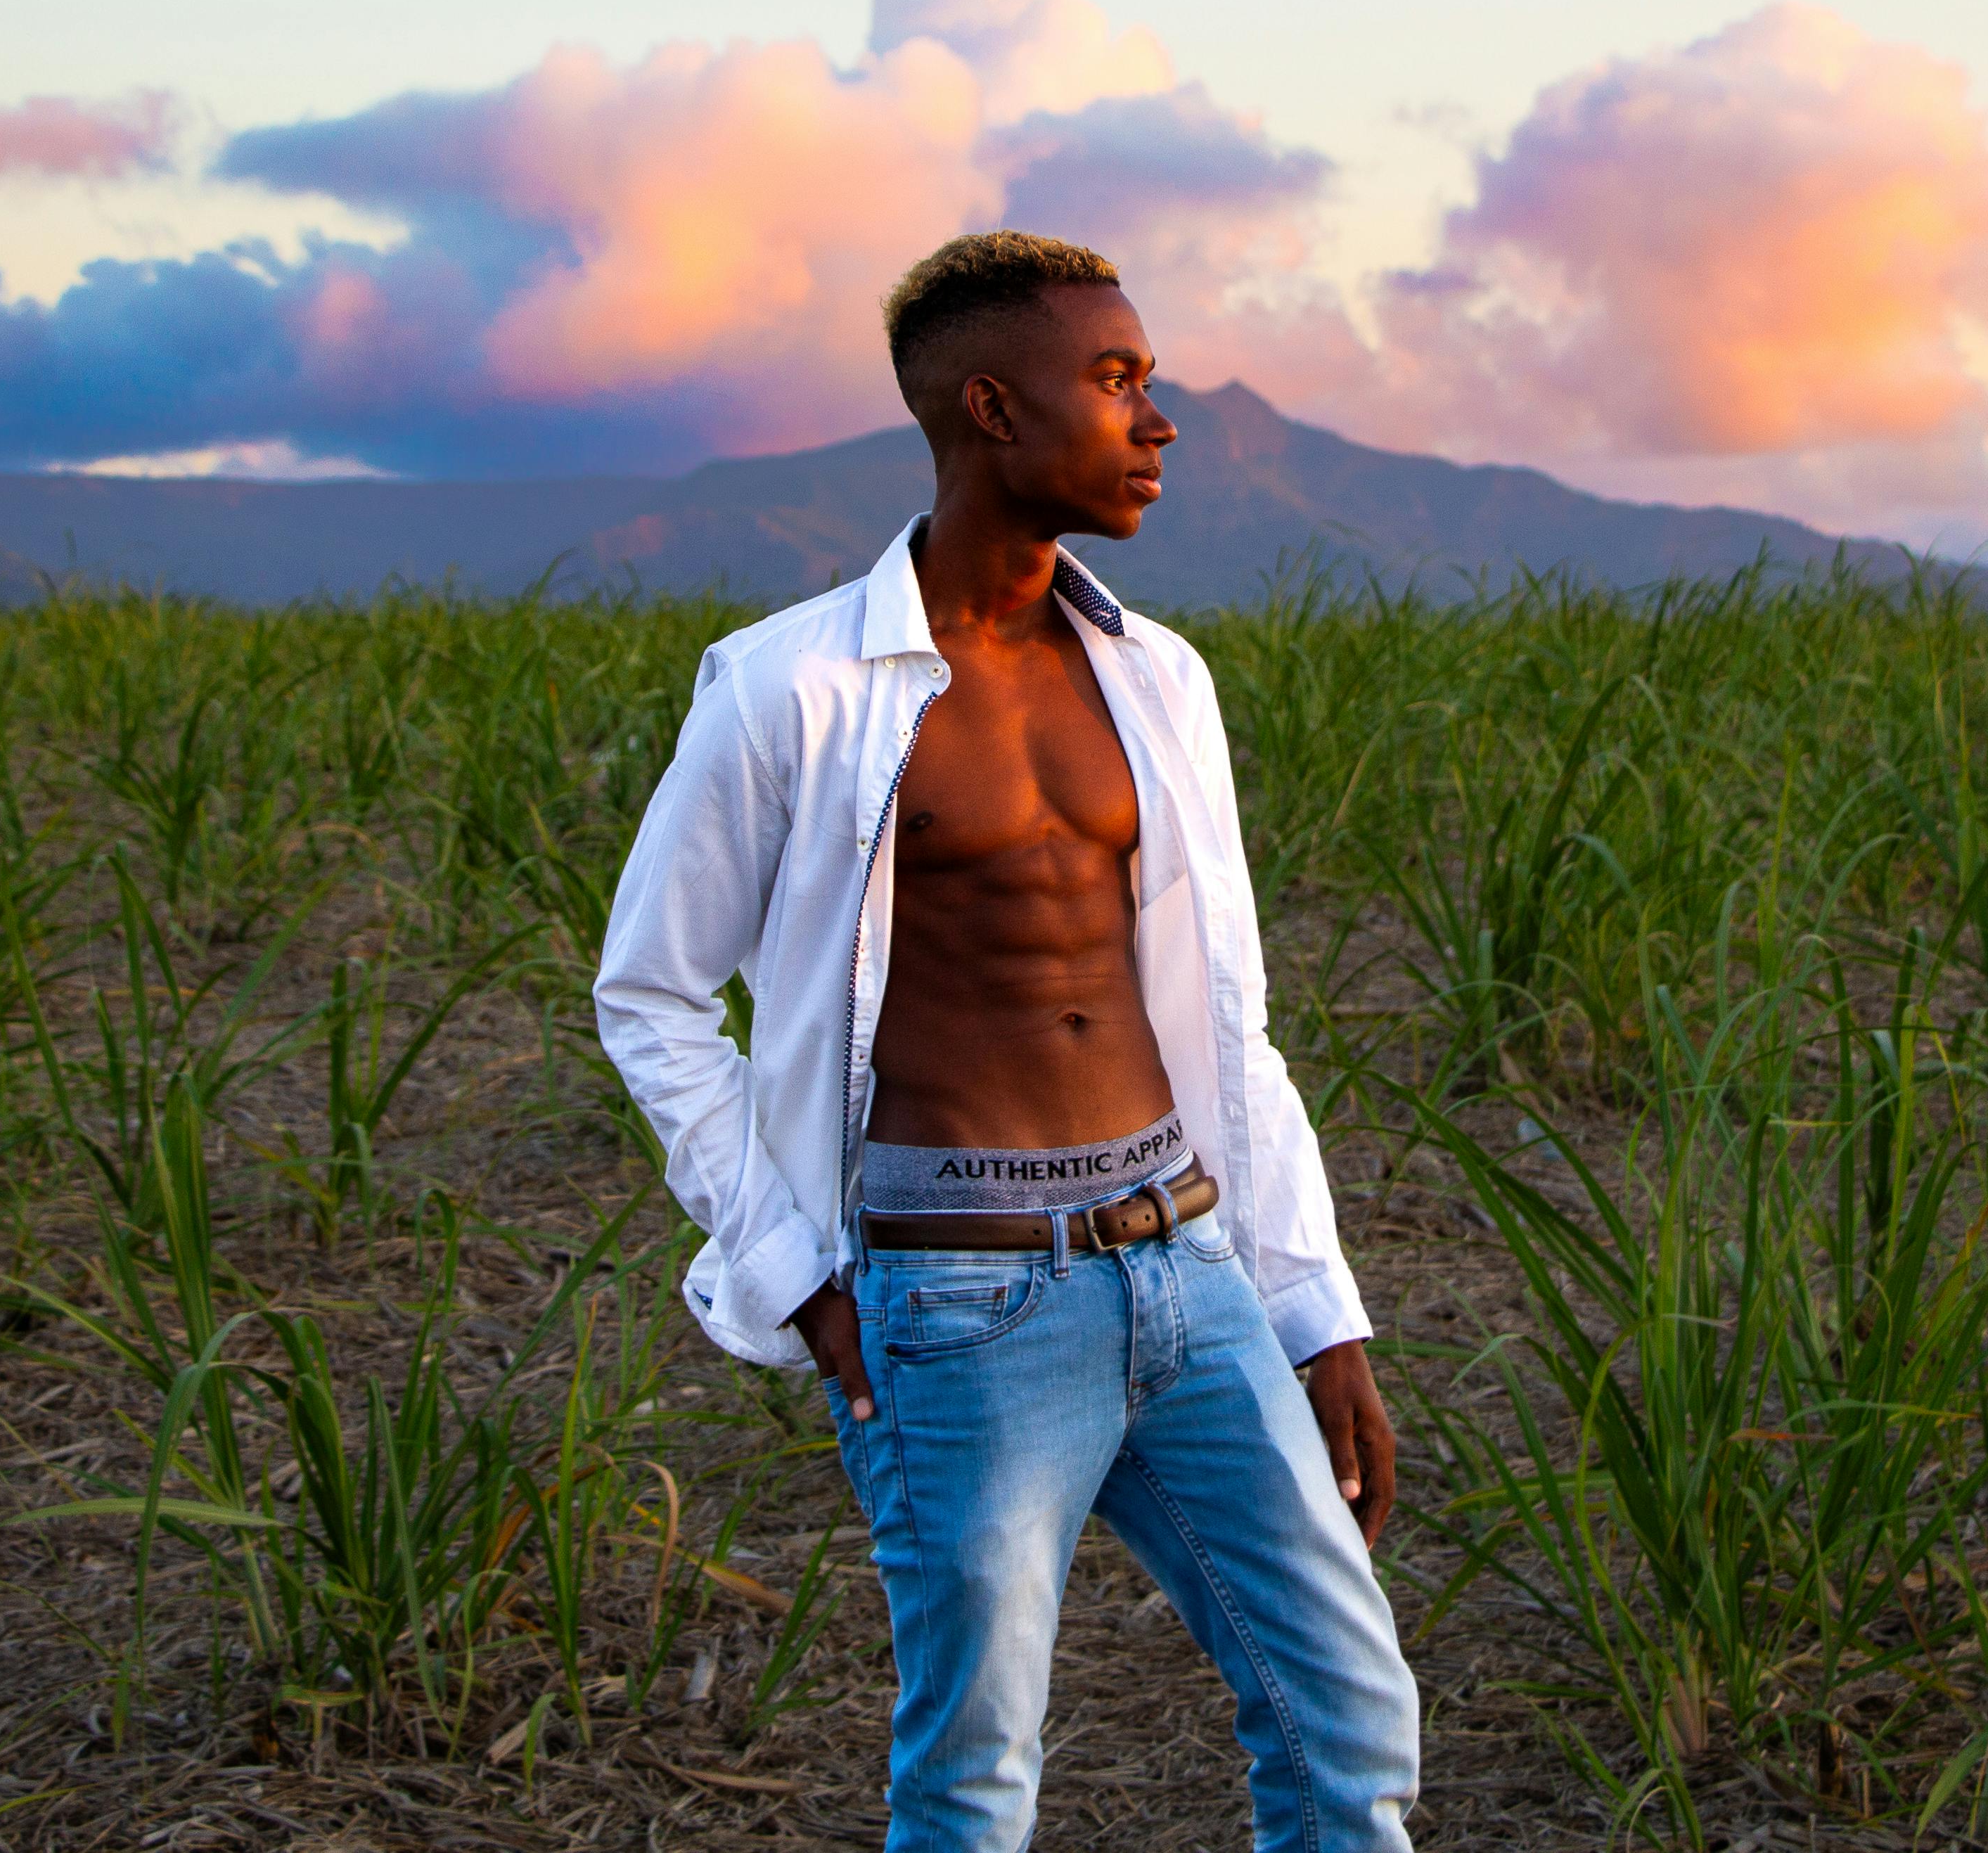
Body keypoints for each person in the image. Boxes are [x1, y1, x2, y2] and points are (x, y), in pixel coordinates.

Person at [596, 231, 1419, 1851]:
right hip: (957, 1296)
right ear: (991, 408)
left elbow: (1225, 1015)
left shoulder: (1159, 680)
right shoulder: (792, 690)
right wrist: (796, 1278)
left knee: (1348, 1711)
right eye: (1116, 382)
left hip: (1185, 1268)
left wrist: (1315, 1306)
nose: (1157, 419)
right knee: (975, 1782)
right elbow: (650, 995)